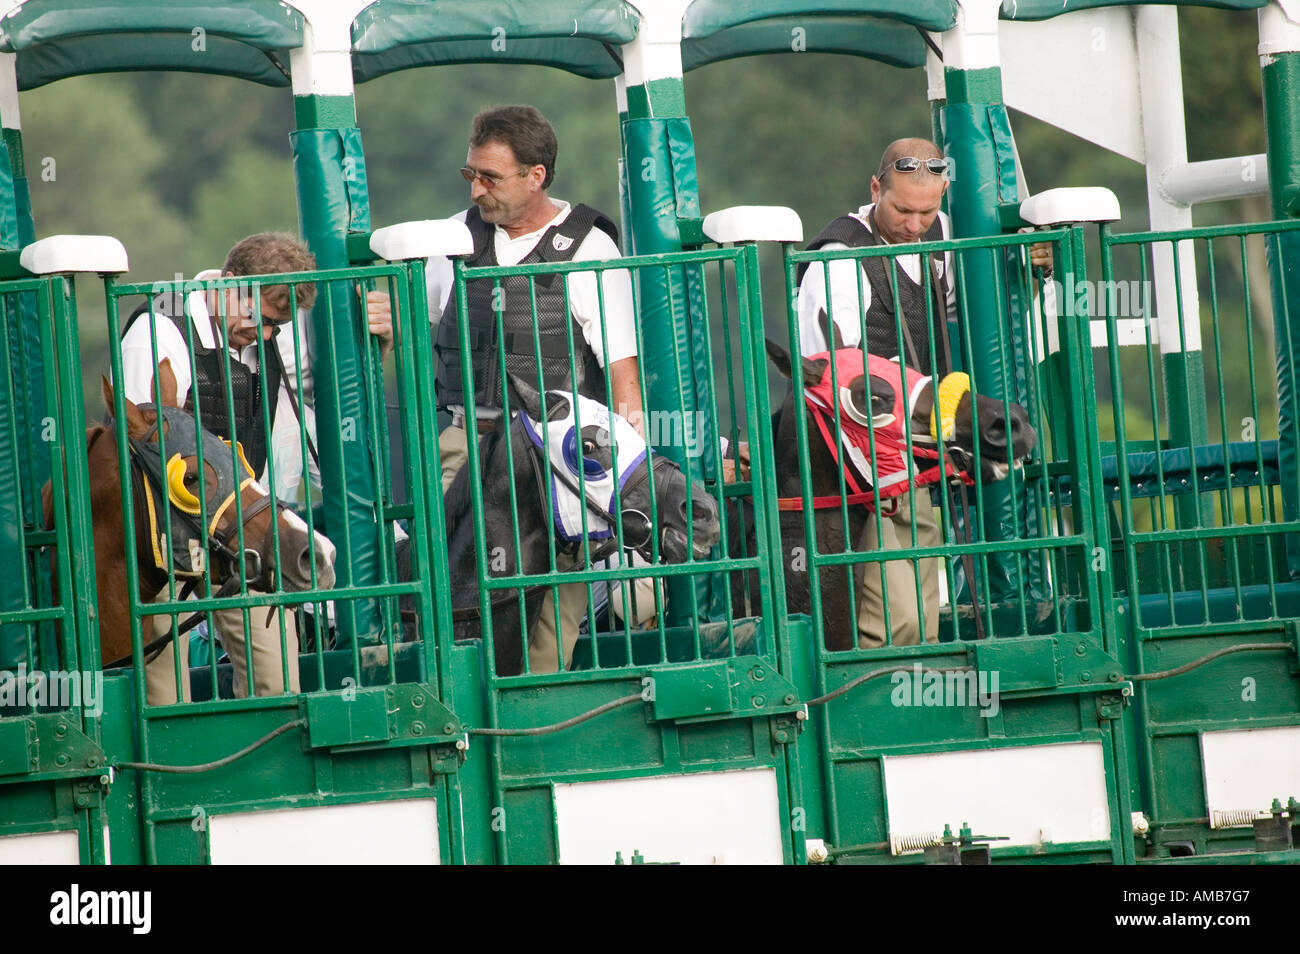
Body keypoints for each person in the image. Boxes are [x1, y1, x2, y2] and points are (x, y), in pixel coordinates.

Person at [795, 137, 1051, 648]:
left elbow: (988, 301)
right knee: (898, 621)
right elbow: (838, 376)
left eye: (927, 211)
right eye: (902, 210)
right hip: (853, 465)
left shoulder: (944, 238)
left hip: (919, 457)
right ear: (875, 189)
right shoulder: (838, 261)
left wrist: (1028, 266)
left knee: (922, 621)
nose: (915, 225)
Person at [119, 232, 392, 702]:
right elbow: (147, 446)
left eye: (277, 327)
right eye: (262, 319)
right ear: (228, 285)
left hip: (235, 538)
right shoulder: (159, 331)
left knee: (278, 683)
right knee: (166, 698)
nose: (267, 334)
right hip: (163, 541)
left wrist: (380, 341)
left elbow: (303, 432)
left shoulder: (256, 338)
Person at [425, 105, 644, 673]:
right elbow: (415, 330)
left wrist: (624, 469)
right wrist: (379, 321)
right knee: (460, 597)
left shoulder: (592, 249)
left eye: (490, 176)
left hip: (560, 456)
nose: (477, 189)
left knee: (551, 616)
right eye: (470, 174)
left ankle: (538, 728)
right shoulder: (449, 241)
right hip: (467, 443)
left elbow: (623, 369)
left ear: (536, 175)